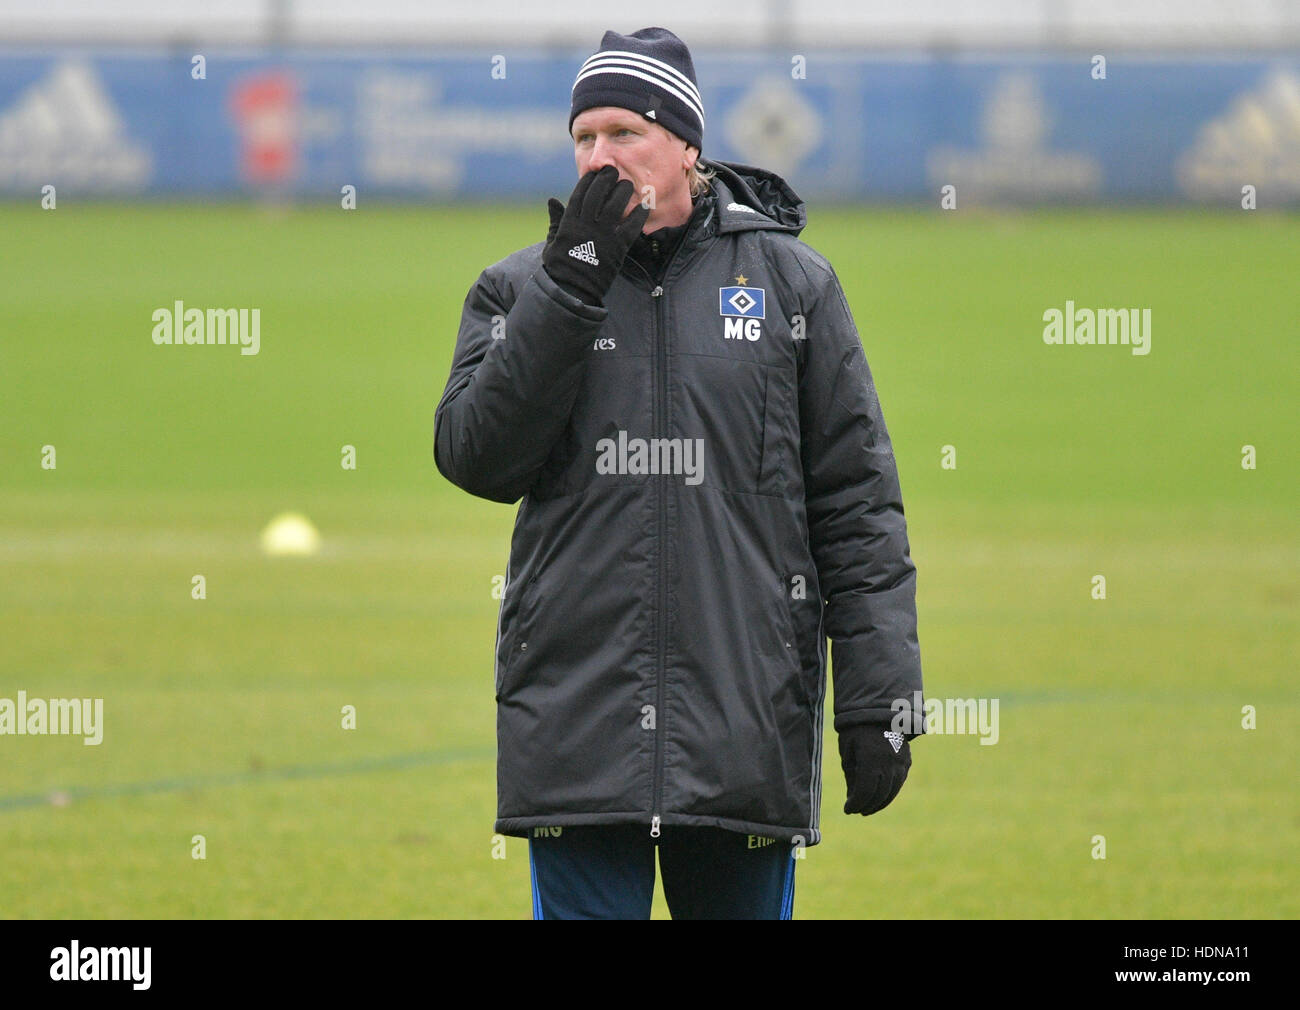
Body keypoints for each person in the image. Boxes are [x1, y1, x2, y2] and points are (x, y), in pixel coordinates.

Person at [434, 26, 925, 920]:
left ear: (686, 143)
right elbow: (476, 455)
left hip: (742, 726)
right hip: (579, 727)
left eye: (624, 132)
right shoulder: (520, 289)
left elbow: (857, 505)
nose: (599, 156)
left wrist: (878, 694)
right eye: (583, 138)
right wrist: (573, 283)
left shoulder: (794, 288)